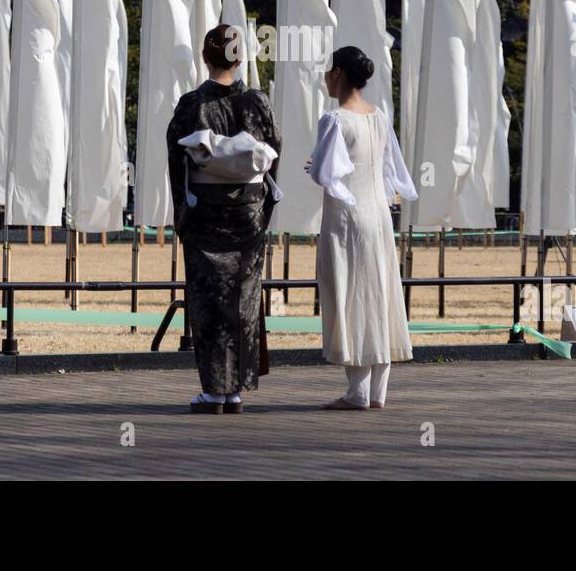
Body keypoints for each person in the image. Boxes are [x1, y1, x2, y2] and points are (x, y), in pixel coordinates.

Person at [167, 23, 281, 414]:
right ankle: (236, 392)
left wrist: (183, 211)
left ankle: (215, 390)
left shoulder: (191, 105)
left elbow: (176, 157)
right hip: (248, 210)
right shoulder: (258, 102)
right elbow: (274, 149)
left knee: (207, 298)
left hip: (204, 210)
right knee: (244, 298)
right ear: (241, 57)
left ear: (205, 56)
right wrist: (264, 205)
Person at [305, 45, 416, 410]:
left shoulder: (334, 119)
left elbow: (324, 172)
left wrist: (316, 166)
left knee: (350, 293)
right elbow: (391, 168)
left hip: (346, 217)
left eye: (327, 71)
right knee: (380, 291)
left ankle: (357, 390)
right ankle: (377, 391)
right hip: (378, 214)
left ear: (338, 74)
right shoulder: (379, 116)